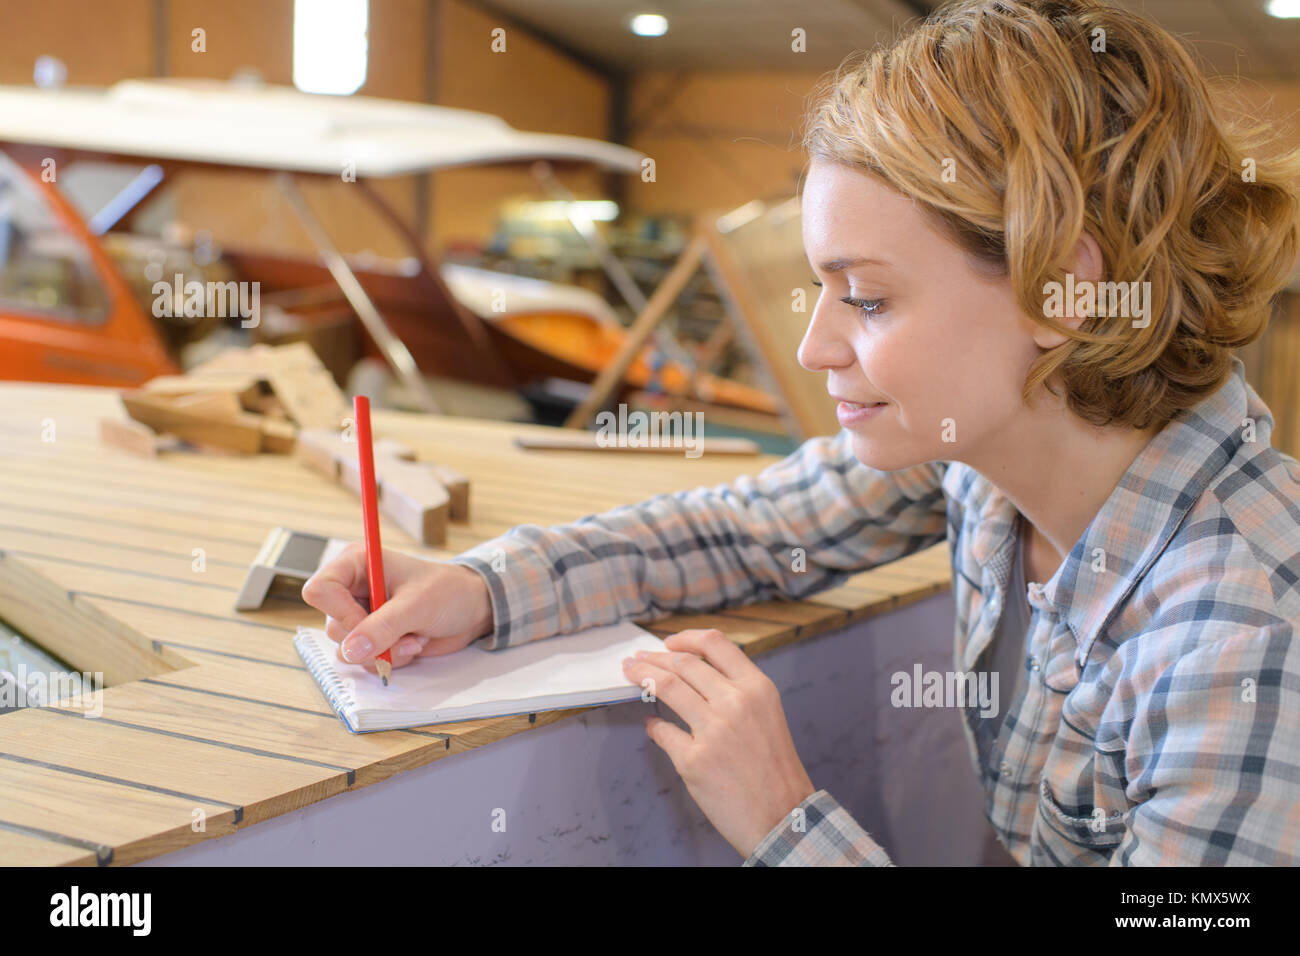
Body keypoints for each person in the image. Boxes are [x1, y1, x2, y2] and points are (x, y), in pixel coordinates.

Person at [303, 0, 1300, 865]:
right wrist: (482, 588)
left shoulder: (1241, 644)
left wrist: (785, 821)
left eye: (866, 298)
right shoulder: (985, 461)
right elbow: (748, 526)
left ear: (1065, 288)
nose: (819, 346)